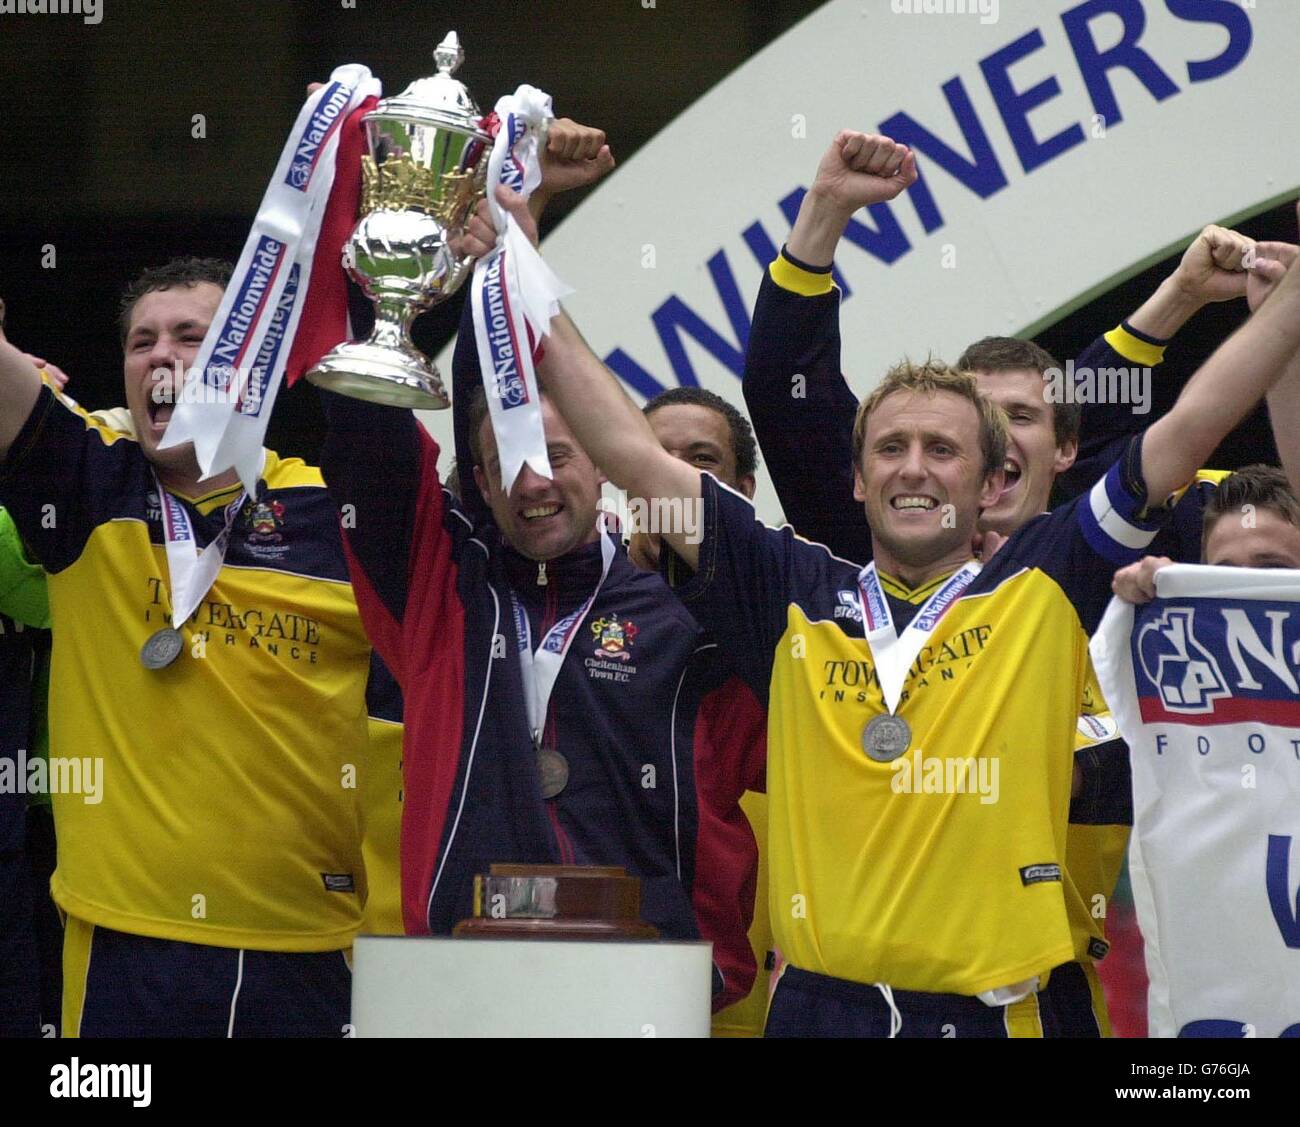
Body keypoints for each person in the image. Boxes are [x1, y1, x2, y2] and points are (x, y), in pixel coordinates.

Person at [461, 154, 1300, 1035]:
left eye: (943, 450)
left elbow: (1190, 427)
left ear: (989, 482)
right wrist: (523, 274)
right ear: (858, 480)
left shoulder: (1044, 578)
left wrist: (1288, 307)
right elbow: (631, 453)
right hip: (821, 1009)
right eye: (891, 448)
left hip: (999, 1015)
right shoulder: (788, 590)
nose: (914, 468)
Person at [738, 131, 1264, 1033]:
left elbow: (1205, 467)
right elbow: (787, 393)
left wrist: (1188, 306)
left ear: (1065, 450)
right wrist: (823, 214)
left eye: (1020, 417)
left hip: (1061, 989)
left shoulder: (1135, 553)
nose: (995, 435)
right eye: (972, 419)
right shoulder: (858, 558)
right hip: (859, 990)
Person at [320, 119, 763, 1010]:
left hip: (654, 987)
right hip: (461, 982)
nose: (534, 481)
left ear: (604, 460)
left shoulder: (692, 617)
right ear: (478, 482)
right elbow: (368, 431)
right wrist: (373, 213)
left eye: (558, 454)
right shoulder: (444, 594)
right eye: (506, 463)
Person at [0, 258, 376, 1037]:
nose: (160, 356)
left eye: (190, 336)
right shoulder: (87, 483)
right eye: (141, 342)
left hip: (311, 952)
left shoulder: (334, 515)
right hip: (126, 951)